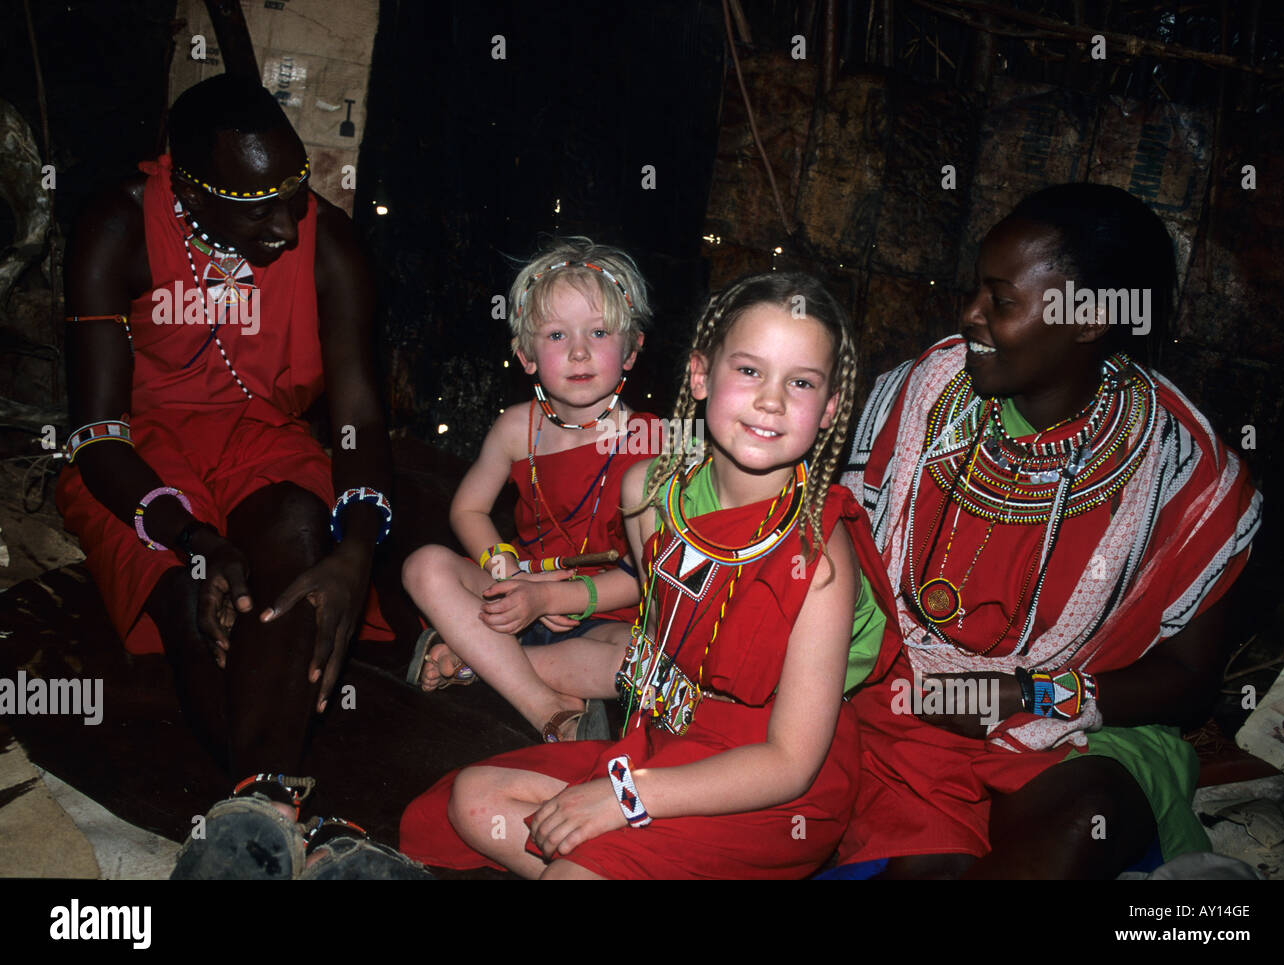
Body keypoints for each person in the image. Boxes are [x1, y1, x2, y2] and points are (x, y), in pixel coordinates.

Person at [399, 271, 899, 879]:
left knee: (570, 872)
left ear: (829, 410)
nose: (772, 399)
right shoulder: (648, 493)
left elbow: (790, 761)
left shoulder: (819, 555)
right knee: (474, 801)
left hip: (767, 784)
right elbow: (654, 648)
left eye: (800, 382)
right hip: (671, 736)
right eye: (748, 370)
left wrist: (627, 799)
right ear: (699, 375)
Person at [837, 183, 1262, 878]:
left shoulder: (1182, 470)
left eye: (1000, 302)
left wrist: (1032, 695)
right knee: (914, 855)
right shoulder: (918, 398)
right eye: (978, 290)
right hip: (900, 693)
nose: (969, 314)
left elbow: (1187, 682)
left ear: (1089, 318)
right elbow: (845, 571)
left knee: (1077, 827)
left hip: (1077, 728)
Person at [57, 73, 393, 781]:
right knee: (192, 594)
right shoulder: (116, 228)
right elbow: (94, 433)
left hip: (264, 440)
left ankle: (260, 800)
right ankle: (270, 797)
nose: (286, 225)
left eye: (294, 194)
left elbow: (359, 416)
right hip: (140, 455)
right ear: (186, 190)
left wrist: (357, 547)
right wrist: (192, 538)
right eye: (257, 208)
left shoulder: (330, 242)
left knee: (304, 552)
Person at [401, 239, 658, 743]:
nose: (579, 351)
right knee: (423, 566)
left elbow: (646, 579)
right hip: (514, 594)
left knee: (651, 667)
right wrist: (508, 572)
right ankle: (544, 705)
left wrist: (558, 599)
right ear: (526, 357)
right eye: (557, 334)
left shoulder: (653, 445)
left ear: (631, 350)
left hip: (603, 610)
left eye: (599, 332)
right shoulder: (515, 429)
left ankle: (476, 661)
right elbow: (469, 508)